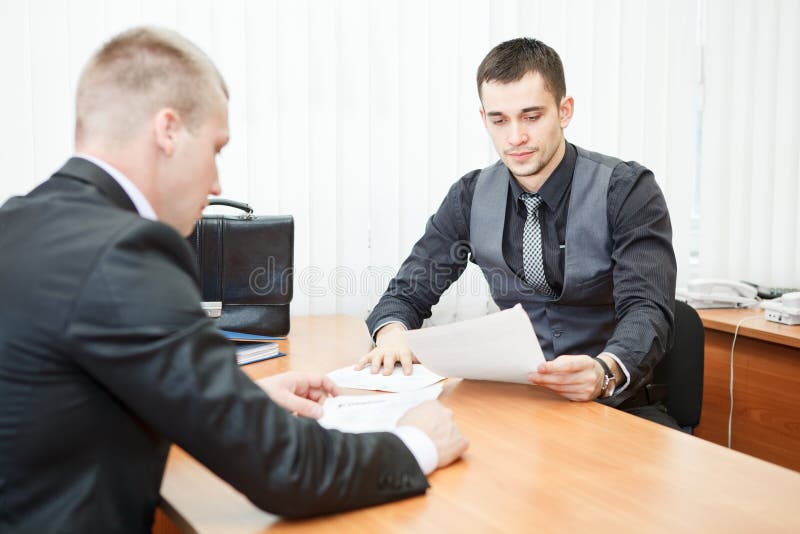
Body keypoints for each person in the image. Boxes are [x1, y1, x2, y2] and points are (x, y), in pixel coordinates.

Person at [0, 27, 468, 532]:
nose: (217, 182)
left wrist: (239, 401)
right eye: (216, 148)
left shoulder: (19, 221)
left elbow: (73, 400)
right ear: (168, 131)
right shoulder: (124, 252)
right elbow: (282, 468)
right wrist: (414, 443)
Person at [357, 37, 679, 429]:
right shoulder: (470, 196)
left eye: (531, 117)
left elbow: (647, 308)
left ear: (564, 111)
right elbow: (406, 293)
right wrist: (392, 334)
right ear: (484, 119)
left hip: (617, 406)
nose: (515, 138)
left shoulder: (627, 189)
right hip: (517, 405)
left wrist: (605, 371)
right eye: (499, 120)